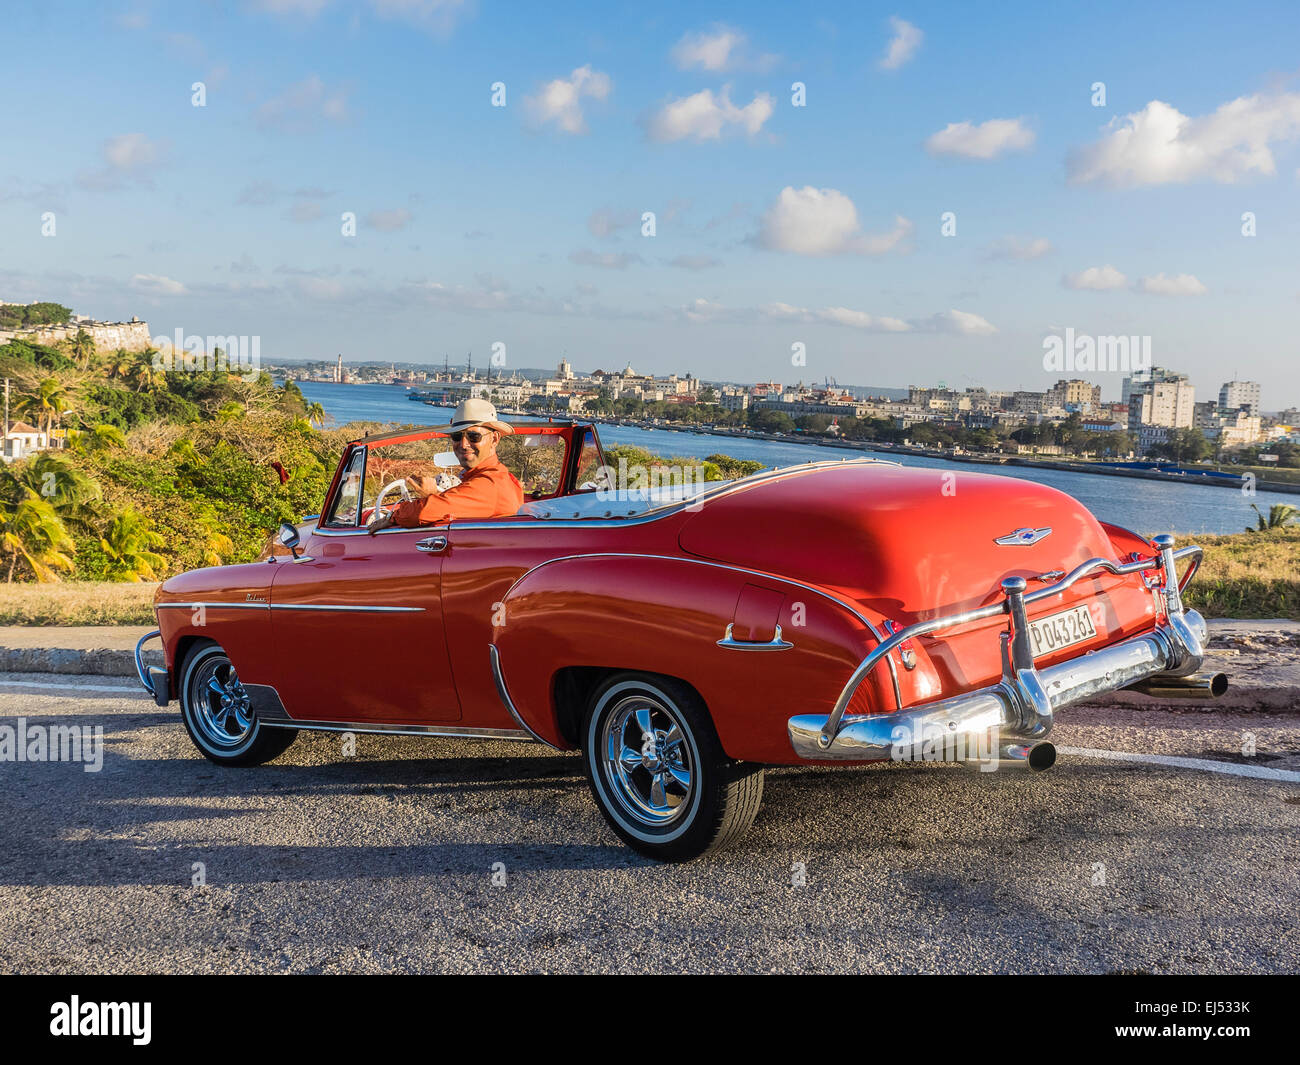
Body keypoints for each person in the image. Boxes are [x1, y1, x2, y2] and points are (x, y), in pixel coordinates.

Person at [368, 399, 524, 531]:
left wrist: (392, 516)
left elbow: (423, 512)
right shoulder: (502, 478)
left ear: (495, 439)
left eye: (473, 436)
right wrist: (432, 495)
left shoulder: (490, 484)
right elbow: (456, 507)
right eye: (457, 436)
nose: (463, 444)